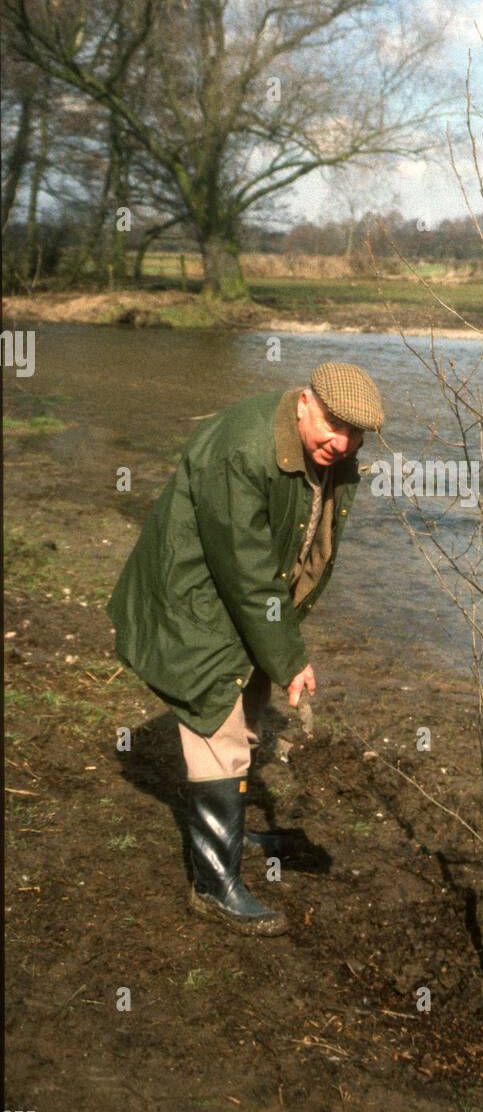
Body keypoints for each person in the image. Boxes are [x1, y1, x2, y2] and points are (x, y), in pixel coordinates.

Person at [106, 361, 384, 937]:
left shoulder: (328, 453)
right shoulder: (240, 449)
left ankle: (227, 832)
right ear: (305, 402)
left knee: (249, 714)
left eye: (356, 433)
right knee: (218, 724)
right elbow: (245, 570)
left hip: (249, 603)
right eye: (333, 424)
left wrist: (279, 645)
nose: (343, 442)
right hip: (195, 601)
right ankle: (213, 885)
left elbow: (303, 550)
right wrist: (289, 656)